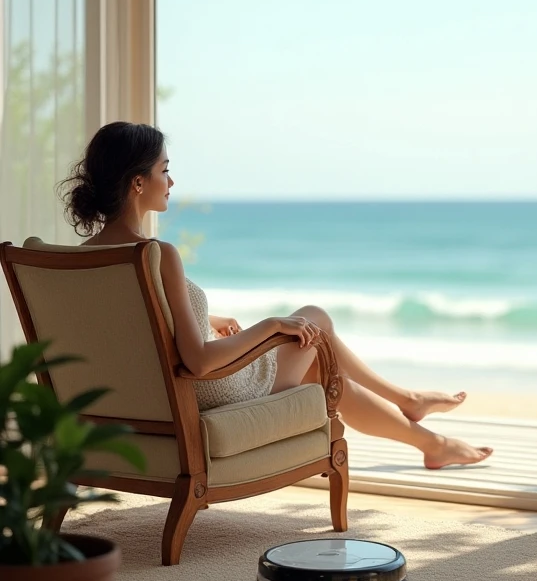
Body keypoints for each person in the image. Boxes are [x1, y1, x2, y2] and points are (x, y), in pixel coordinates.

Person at [57, 122, 492, 469]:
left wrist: (206, 317)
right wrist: (271, 326)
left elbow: (133, 323)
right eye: (164, 169)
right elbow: (200, 361)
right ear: (137, 183)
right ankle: (412, 406)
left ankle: (427, 436)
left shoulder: (79, 263)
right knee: (312, 320)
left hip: (150, 396)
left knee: (320, 365)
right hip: (211, 389)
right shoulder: (156, 255)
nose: (170, 180)